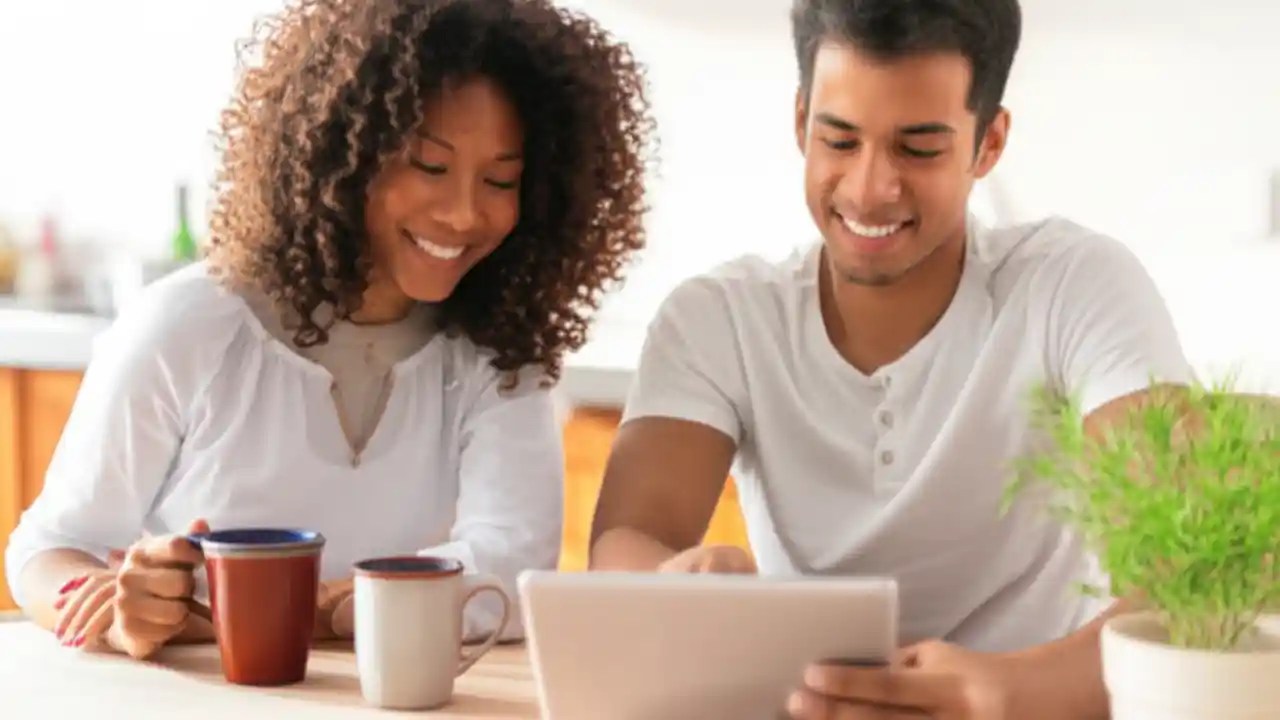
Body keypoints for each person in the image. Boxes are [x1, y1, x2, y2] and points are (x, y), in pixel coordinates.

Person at [590, 0, 1191, 717]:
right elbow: (627, 539)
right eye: (839, 140)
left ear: (988, 143)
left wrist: (1004, 695)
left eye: (919, 148)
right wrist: (673, 576)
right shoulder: (718, 317)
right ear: (800, 122)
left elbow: (1187, 569)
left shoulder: (1074, 285)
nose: (870, 188)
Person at [6, 0, 652, 660]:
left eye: (499, 180)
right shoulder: (191, 325)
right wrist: (120, 612)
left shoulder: (500, 357)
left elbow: (510, 571)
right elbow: (49, 549)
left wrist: (269, 615)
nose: (463, 214)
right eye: (430, 166)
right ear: (342, 155)